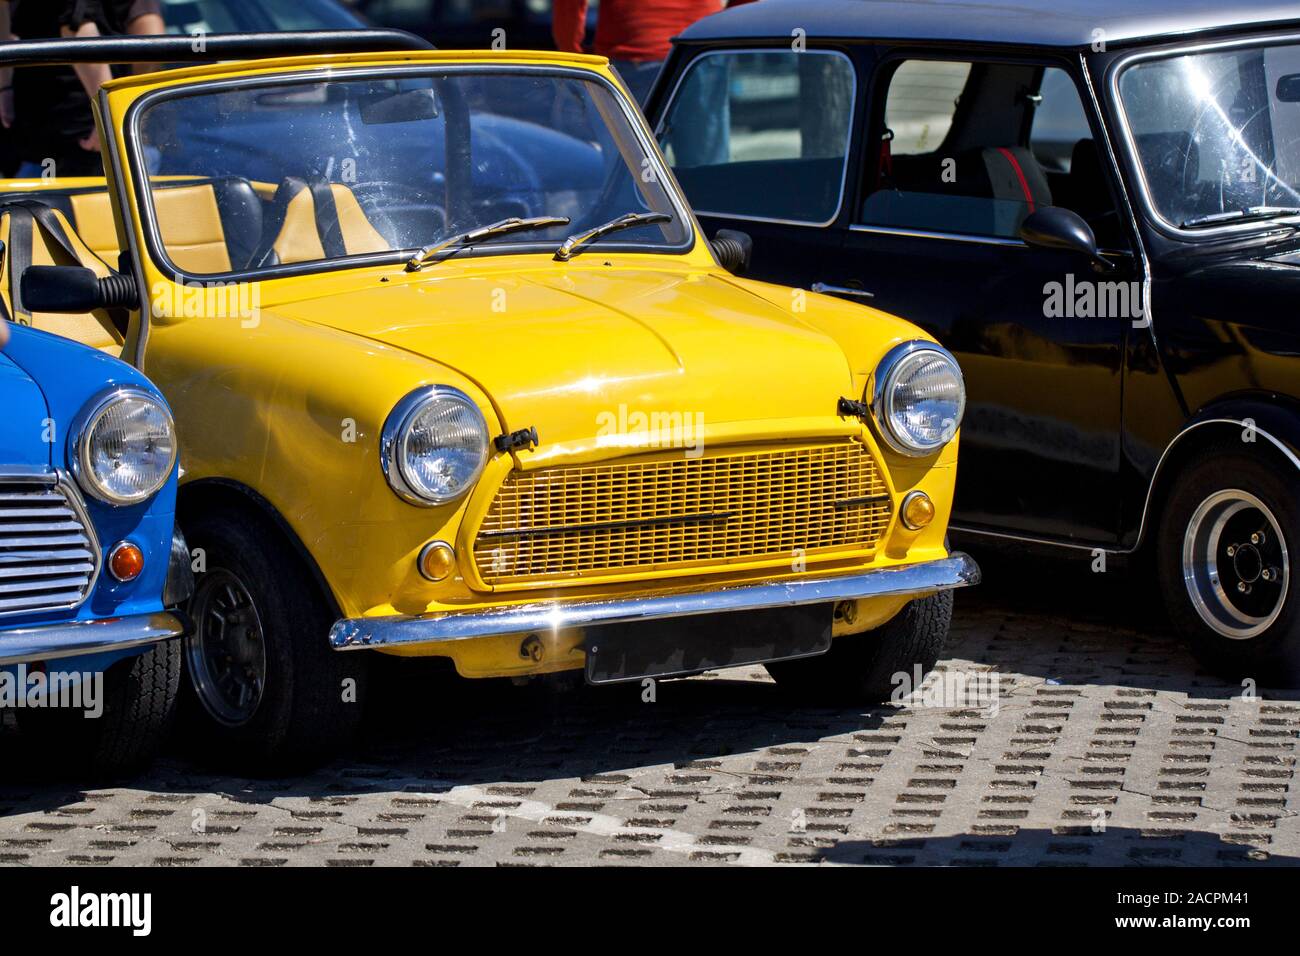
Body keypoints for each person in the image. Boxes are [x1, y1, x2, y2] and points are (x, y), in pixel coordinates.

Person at [0, 1, 164, 178]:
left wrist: (109, 114)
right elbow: (150, 33)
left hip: (84, 137)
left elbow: (76, 25)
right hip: (93, 132)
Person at [553, 0, 752, 106]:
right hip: (701, 50)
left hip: (632, 51)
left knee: (628, 169)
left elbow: (569, 5)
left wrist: (574, 55)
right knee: (705, 170)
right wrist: (724, 35)